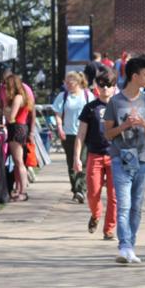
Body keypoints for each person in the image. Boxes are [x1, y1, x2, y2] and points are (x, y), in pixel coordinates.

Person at [103, 56, 145, 264]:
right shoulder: (115, 102)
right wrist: (125, 125)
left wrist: (144, 123)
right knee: (124, 205)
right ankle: (124, 245)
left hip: (143, 159)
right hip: (121, 157)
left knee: (137, 206)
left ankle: (130, 245)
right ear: (134, 76)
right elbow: (108, 134)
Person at [76, 67, 117, 240]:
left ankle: (109, 230)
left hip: (115, 157)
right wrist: (76, 157)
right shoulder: (90, 108)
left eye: (108, 85)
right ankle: (95, 214)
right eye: (102, 85)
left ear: (114, 87)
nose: (105, 88)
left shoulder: (119, 107)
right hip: (95, 155)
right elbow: (81, 134)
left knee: (114, 196)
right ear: (96, 87)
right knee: (93, 193)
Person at [53, 72, 94, 204]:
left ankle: (81, 190)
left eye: (71, 83)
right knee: (71, 163)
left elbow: (94, 113)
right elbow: (58, 114)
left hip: (85, 134)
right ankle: (76, 189)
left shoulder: (87, 95)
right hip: (68, 133)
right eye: (67, 83)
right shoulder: (63, 96)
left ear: (78, 82)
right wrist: (59, 127)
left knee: (83, 161)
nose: (68, 85)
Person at [3, 73, 33, 202]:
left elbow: (11, 117)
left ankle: (23, 192)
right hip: (20, 128)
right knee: (17, 162)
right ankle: (19, 189)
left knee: (19, 162)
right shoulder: (23, 97)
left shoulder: (17, 98)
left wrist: (4, 107)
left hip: (17, 128)